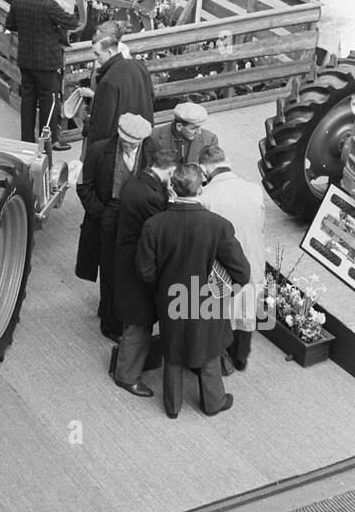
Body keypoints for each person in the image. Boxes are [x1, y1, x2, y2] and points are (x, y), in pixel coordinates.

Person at [136, 163, 250, 419]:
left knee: (173, 351)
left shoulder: (154, 225)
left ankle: (172, 406)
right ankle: (213, 402)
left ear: (172, 188)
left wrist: (163, 288)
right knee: (209, 350)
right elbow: (242, 271)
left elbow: (145, 270)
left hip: (170, 297)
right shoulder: (219, 225)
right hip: (208, 299)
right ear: (200, 188)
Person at [76, 114, 153, 342]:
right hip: (107, 217)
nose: (128, 145)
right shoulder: (99, 150)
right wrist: (101, 212)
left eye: (134, 141)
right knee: (109, 270)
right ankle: (109, 323)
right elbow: (84, 186)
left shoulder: (151, 153)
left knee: (130, 270)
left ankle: (119, 311)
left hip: (137, 219)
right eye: (125, 139)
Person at [111, 143, 180, 394]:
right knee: (138, 323)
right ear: (170, 171)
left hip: (126, 259)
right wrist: (172, 201)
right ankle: (127, 376)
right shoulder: (151, 196)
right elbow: (158, 228)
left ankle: (127, 367)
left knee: (135, 321)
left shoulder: (136, 181)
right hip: (138, 266)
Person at [198, 145, 265, 371]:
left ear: (204, 170)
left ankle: (220, 357)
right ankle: (241, 356)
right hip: (252, 259)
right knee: (246, 310)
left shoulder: (205, 198)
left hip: (222, 268)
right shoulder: (254, 190)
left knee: (223, 312)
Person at [4, 0, 77, 142]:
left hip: (26, 60)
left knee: (28, 100)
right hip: (46, 64)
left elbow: (11, 24)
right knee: (48, 103)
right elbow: (73, 22)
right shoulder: (50, 5)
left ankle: (27, 140)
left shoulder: (19, 0)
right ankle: (47, 142)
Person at [82, 29, 155, 149]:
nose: (95, 58)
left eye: (97, 54)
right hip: (143, 135)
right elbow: (151, 96)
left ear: (110, 52)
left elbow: (102, 124)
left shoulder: (107, 81)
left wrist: (93, 152)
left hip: (120, 142)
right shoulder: (139, 65)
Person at [147, 101, 218, 167]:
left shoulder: (210, 139)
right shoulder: (153, 137)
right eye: (194, 128)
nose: (199, 132)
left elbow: (213, 170)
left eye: (200, 127)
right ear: (179, 126)